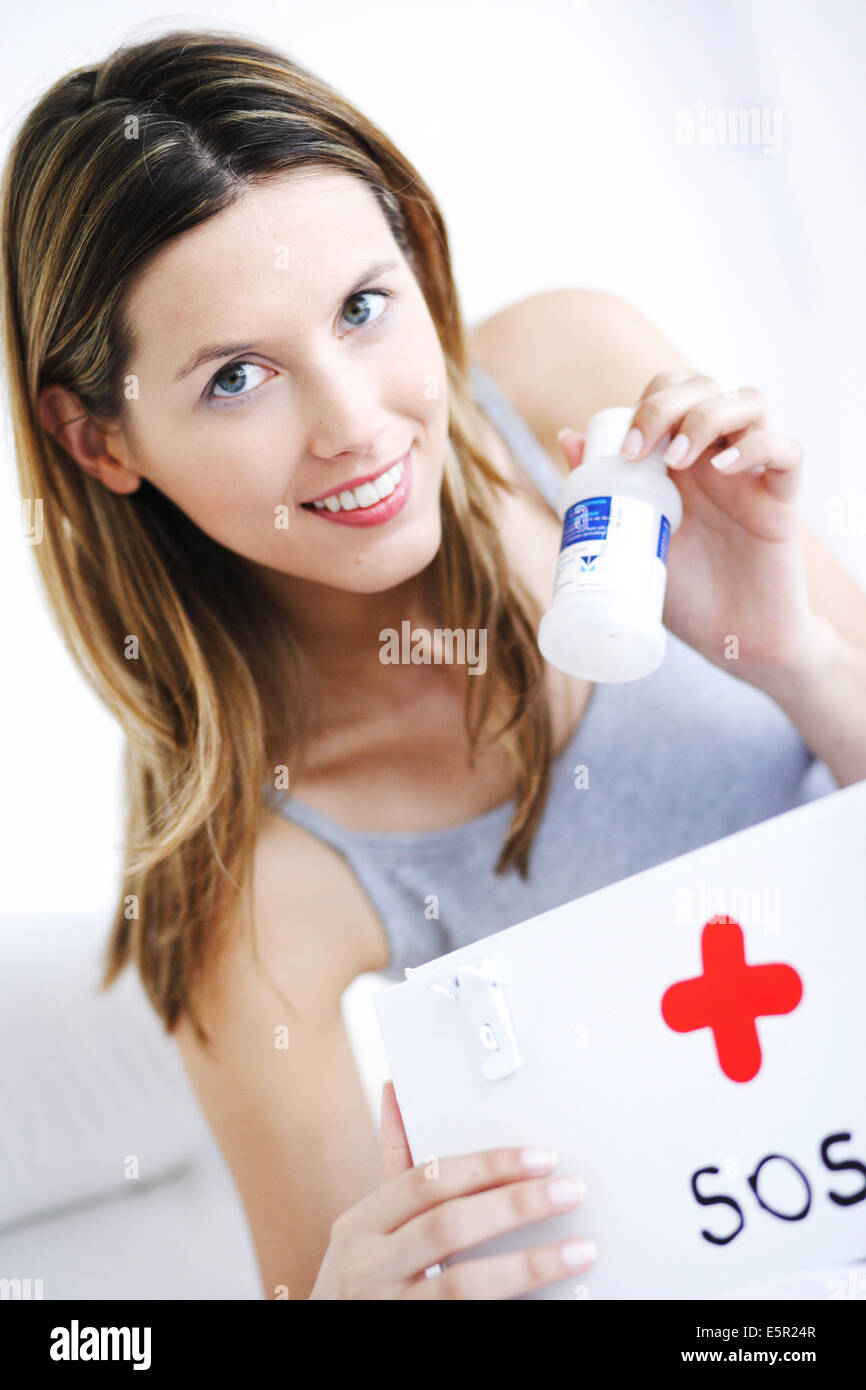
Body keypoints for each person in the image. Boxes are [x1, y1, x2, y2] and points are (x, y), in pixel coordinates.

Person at [5, 28, 864, 1301]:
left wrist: (792, 657)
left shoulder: (583, 383)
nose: (355, 428)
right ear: (99, 439)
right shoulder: (255, 897)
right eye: (237, 378)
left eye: (362, 306)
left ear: (412, 246)